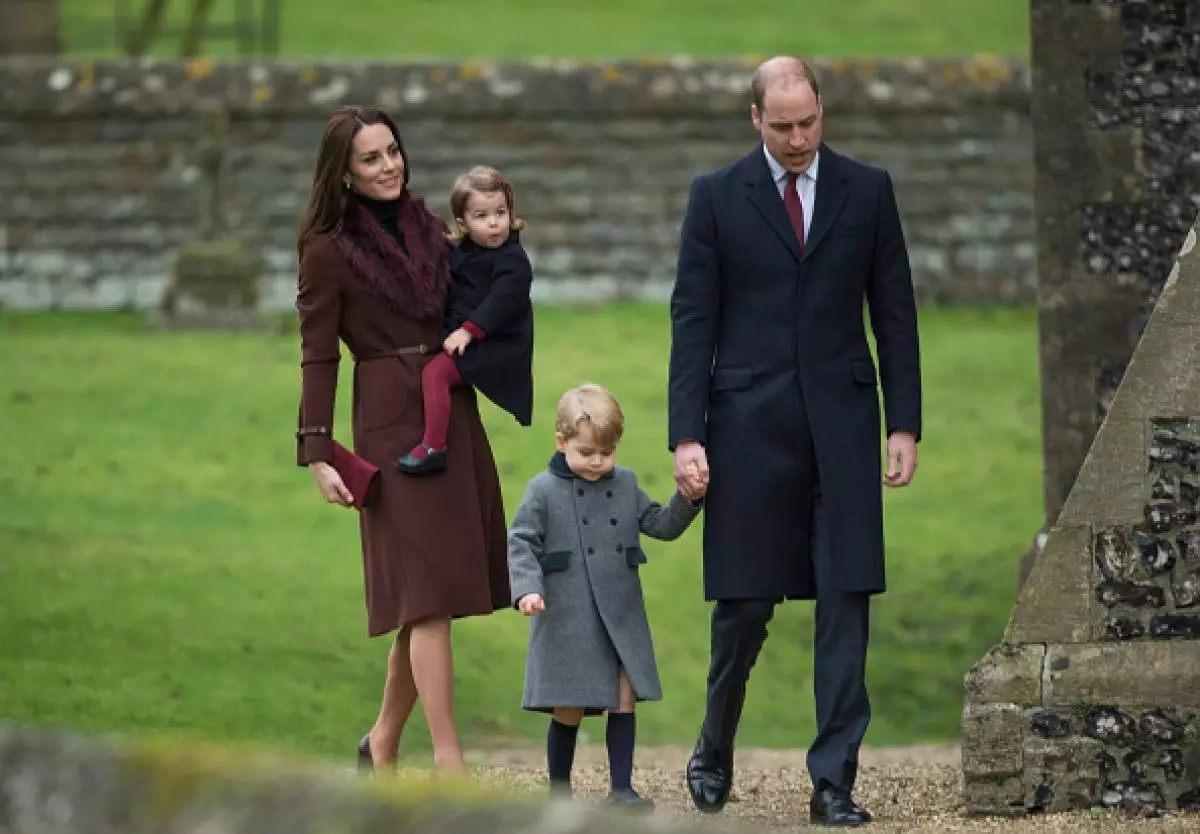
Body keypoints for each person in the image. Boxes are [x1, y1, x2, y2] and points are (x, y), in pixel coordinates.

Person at [669, 57, 921, 826]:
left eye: (808, 122)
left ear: (822, 110)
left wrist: (902, 423)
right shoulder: (715, 198)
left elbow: (896, 314)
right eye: (782, 126)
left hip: (843, 430)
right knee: (743, 610)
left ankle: (833, 783)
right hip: (745, 431)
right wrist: (686, 437)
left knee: (847, 600)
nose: (798, 138)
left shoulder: (868, 190)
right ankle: (714, 746)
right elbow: (693, 323)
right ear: (755, 119)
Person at [294, 106, 511, 776]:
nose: (389, 166)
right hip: (388, 422)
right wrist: (318, 449)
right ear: (345, 174)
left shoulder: (428, 227)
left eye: (393, 151)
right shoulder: (326, 250)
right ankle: (449, 763)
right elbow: (318, 355)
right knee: (425, 599)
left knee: (432, 596)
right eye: (371, 158)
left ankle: (382, 741)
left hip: (450, 410)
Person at [506, 383, 704, 809]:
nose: (598, 462)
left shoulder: (627, 484)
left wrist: (689, 499)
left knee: (624, 695)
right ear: (561, 443)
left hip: (620, 611)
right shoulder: (541, 490)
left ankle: (621, 789)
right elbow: (521, 541)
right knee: (570, 706)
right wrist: (527, 590)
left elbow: (662, 524)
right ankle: (558, 793)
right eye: (586, 452)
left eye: (607, 452)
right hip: (567, 612)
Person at [397, 165, 535, 474]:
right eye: (482, 216)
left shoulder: (513, 261)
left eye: (500, 212)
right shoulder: (466, 251)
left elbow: (500, 302)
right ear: (463, 223)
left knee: (436, 374)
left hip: (497, 345)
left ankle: (434, 447)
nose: (494, 223)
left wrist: (468, 332)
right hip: (470, 335)